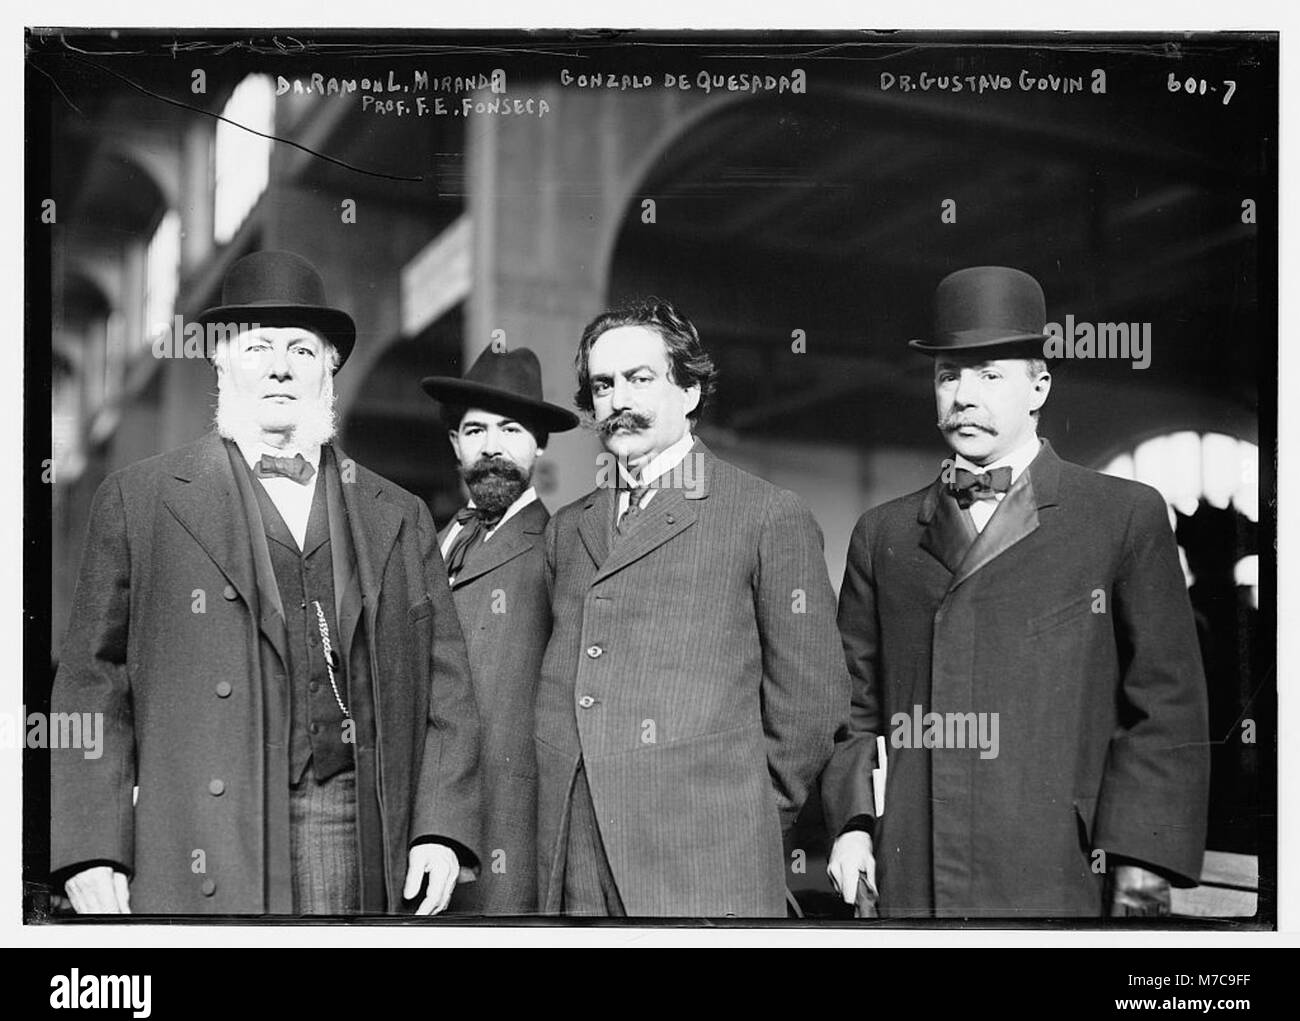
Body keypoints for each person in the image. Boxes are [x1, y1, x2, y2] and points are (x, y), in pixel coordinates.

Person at [51, 250, 481, 915]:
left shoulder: (399, 512)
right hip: (197, 831)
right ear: (221, 362)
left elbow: (446, 684)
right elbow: (91, 682)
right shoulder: (140, 500)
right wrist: (94, 844)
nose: (280, 366)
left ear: (328, 372)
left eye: (302, 351)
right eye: (257, 347)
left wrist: (440, 828)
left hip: (354, 826)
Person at [821, 265, 1210, 917]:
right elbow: (851, 706)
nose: (964, 395)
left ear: (1040, 386)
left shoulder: (1120, 515)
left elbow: (1165, 698)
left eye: (991, 374)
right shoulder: (882, 533)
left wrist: (1142, 859)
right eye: (949, 375)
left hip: (1057, 865)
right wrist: (855, 821)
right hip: (914, 868)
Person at [534, 297, 848, 917]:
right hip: (576, 856)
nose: (619, 400)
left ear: (690, 390)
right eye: (603, 385)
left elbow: (812, 702)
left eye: (640, 379)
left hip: (704, 858)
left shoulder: (764, 514)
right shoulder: (568, 529)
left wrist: (744, 812)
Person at [421, 344, 578, 914]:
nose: (492, 447)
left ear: (538, 446)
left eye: (511, 430)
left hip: (503, 836)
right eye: (475, 430)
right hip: (423, 825)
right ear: (455, 444)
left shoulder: (560, 551)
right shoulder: (432, 543)